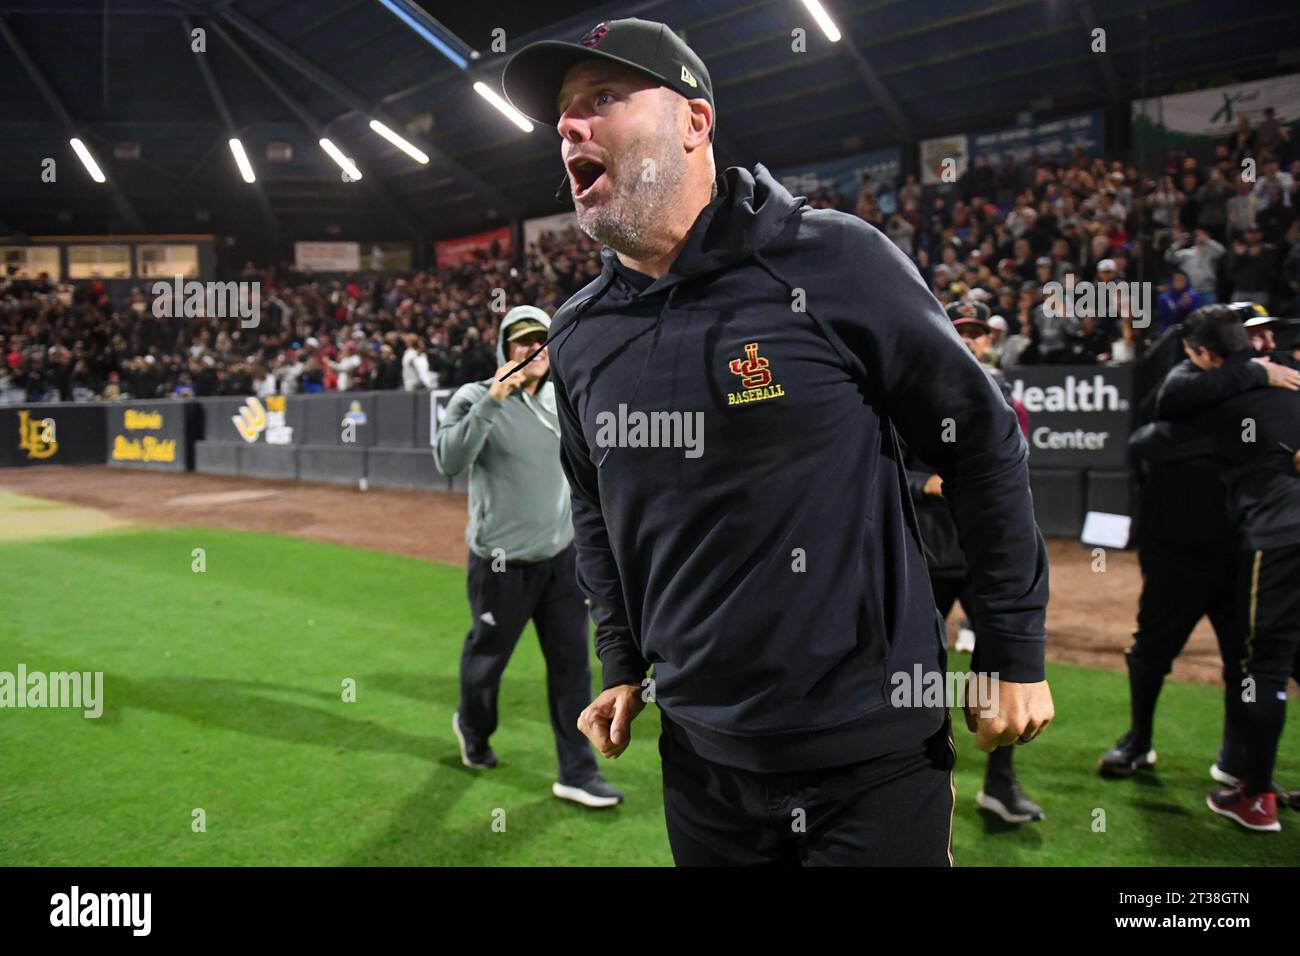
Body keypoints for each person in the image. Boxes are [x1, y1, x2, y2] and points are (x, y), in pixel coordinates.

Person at [502, 17, 1053, 866]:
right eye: (563, 116)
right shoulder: (577, 334)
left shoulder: (835, 261)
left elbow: (980, 443)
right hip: (701, 765)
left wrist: (1013, 650)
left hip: (870, 760)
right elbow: (596, 508)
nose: (570, 126)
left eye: (602, 100)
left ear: (694, 122)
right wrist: (620, 659)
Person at [433, 304, 622, 809]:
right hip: (500, 564)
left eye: (539, 338)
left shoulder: (567, 400)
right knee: (486, 665)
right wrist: (494, 398)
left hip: (562, 561)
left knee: (572, 669)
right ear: (503, 347)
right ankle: (473, 728)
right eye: (519, 341)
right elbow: (448, 459)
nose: (529, 349)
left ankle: (577, 772)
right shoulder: (474, 397)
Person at [1131, 306, 1300, 830]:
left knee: (1262, 668)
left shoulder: (1212, 397)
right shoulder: (1283, 379)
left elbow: (1151, 429)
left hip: (1276, 537)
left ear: (1206, 353)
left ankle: (1255, 797)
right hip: (1243, 540)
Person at [907, 301, 1043, 824]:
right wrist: (925, 484)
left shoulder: (1001, 394)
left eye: (977, 334)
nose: (969, 341)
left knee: (999, 665)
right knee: (917, 668)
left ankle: (1000, 783)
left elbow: (1012, 475)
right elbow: (876, 469)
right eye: (959, 330)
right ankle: (921, 776)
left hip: (976, 554)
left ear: (989, 341)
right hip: (923, 550)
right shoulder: (908, 386)